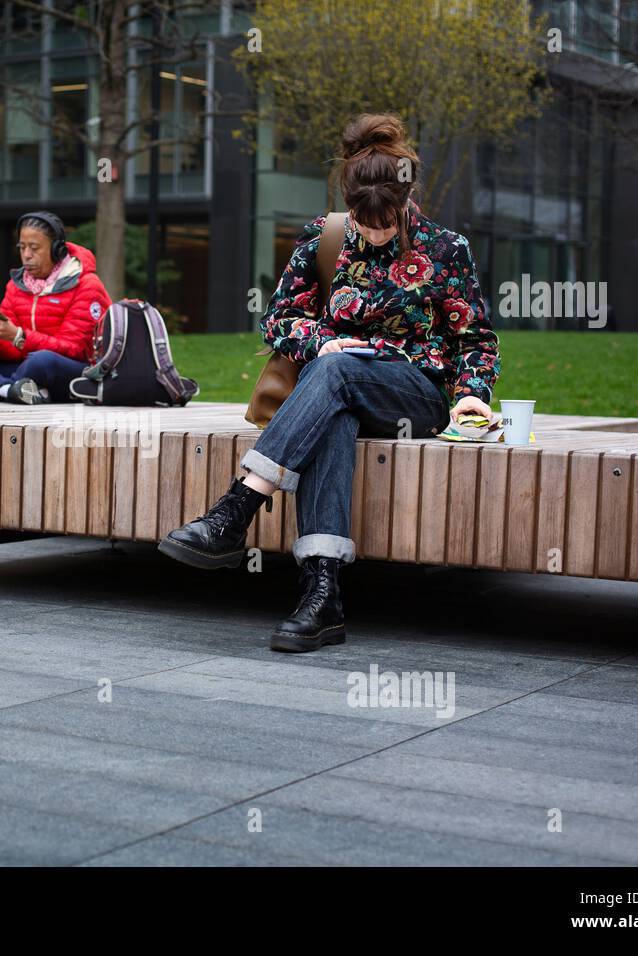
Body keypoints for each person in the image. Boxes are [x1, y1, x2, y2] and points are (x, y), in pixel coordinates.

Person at [158, 113, 501, 653]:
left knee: (335, 374)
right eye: (364, 222)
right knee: (333, 405)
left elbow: (474, 341)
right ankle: (322, 596)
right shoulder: (325, 236)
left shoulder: (445, 249)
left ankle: (237, 508)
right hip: (333, 389)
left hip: (414, 396)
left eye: (386, 221)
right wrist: (321, 341)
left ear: (406, 200)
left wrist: (470, 399)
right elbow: (279, 320)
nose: (374, 231)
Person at [0, 211, 111, 405]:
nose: (26, 255)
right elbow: (9, 353)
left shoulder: (87, 285)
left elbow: (74, 349)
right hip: (26, 367)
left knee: (42, 360)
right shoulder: (16, 285)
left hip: (70, 370)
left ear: (56, 250)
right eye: (22, 247)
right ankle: (10, 390)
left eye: (34, 248)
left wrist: (19, 336)